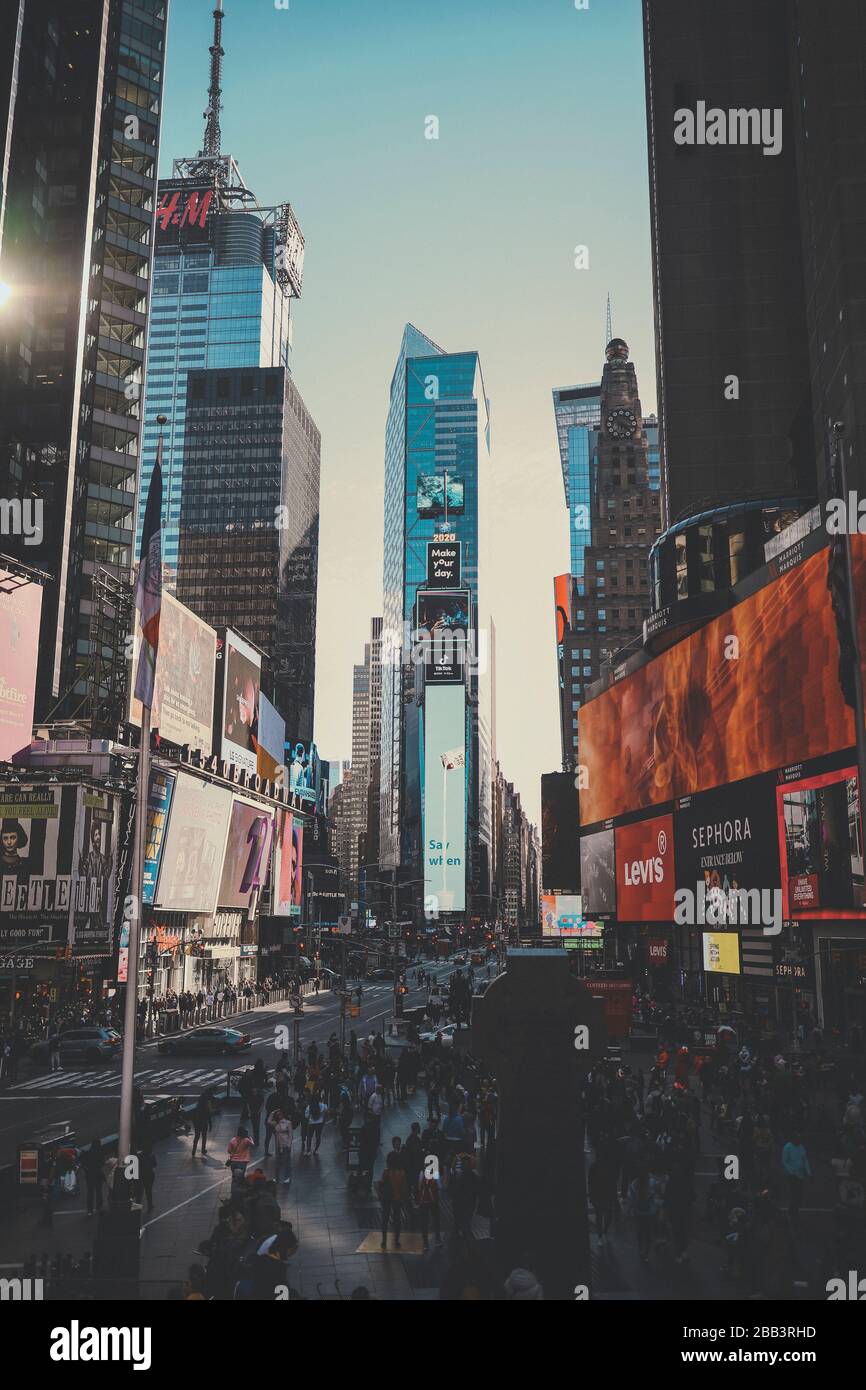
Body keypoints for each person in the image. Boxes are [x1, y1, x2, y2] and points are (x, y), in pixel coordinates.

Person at [379, 1151, 408, 1250]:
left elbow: (381, 1183)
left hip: (387, 1198)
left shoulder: (386, 1172)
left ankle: (383, 1240)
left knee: (385, 1218)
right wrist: (404, 1198)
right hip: (397, 1198)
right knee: (397, 1220)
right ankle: (396, 1241)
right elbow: (404, 1188)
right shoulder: (402, 1173)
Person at [781, 1131, 812, 1218]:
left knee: (798, 1194)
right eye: (798, 1139)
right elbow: (784, 1162)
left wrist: (809, 1172)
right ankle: (792, 1211)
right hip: (792, 1175)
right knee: (795, 1193)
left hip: (800, 1174)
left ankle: (794, 1210)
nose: (799, 1140)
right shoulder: (787, 1147)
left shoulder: (801, 1146)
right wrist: (791, 1172)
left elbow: (804, 1159)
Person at [81, 1139, 106, 1216]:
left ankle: (90, 1210)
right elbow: (102, 1163)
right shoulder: (100, 1153)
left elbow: (83, 1163)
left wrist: (86, 1170)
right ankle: (99, 1207)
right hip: (98, 1174)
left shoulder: (88, 1153)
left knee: (90, 1192)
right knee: (99, 1191)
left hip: (90, 1175)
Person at [269, 1110, 293, 1185]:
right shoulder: (275, 1123)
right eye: (277, 1115)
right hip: (278, 1145)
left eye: (280, 1114)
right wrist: (272, 1112)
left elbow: (290, 1134)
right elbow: (269, 1121)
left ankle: (287, 1177)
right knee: (277, 1162)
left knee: (286, 1161)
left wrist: (289, 1144)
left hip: (285, 1144)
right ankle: (276, 1177)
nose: (279, 1116)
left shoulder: (288, 1123)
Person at [136, 1144, 157, 1214]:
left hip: (141, 1176)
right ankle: (150, 1205)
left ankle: (138, 1208)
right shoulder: (152, 1155)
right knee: (148, 1192)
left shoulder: (139, 1156)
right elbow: (155, 1165)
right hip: (148, 1176)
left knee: (139, 1193)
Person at [192, 1090, 212, 1158]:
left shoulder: (196, 1108)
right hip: (204, 1124)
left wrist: (194, 1124)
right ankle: (203, 1150)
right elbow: (209, 1116)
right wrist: (210, 1124)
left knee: (196, 1137)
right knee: (204, 1137)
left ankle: (193, 1150)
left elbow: (193, 1118)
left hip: (197, 1124)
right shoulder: (206, 1107)